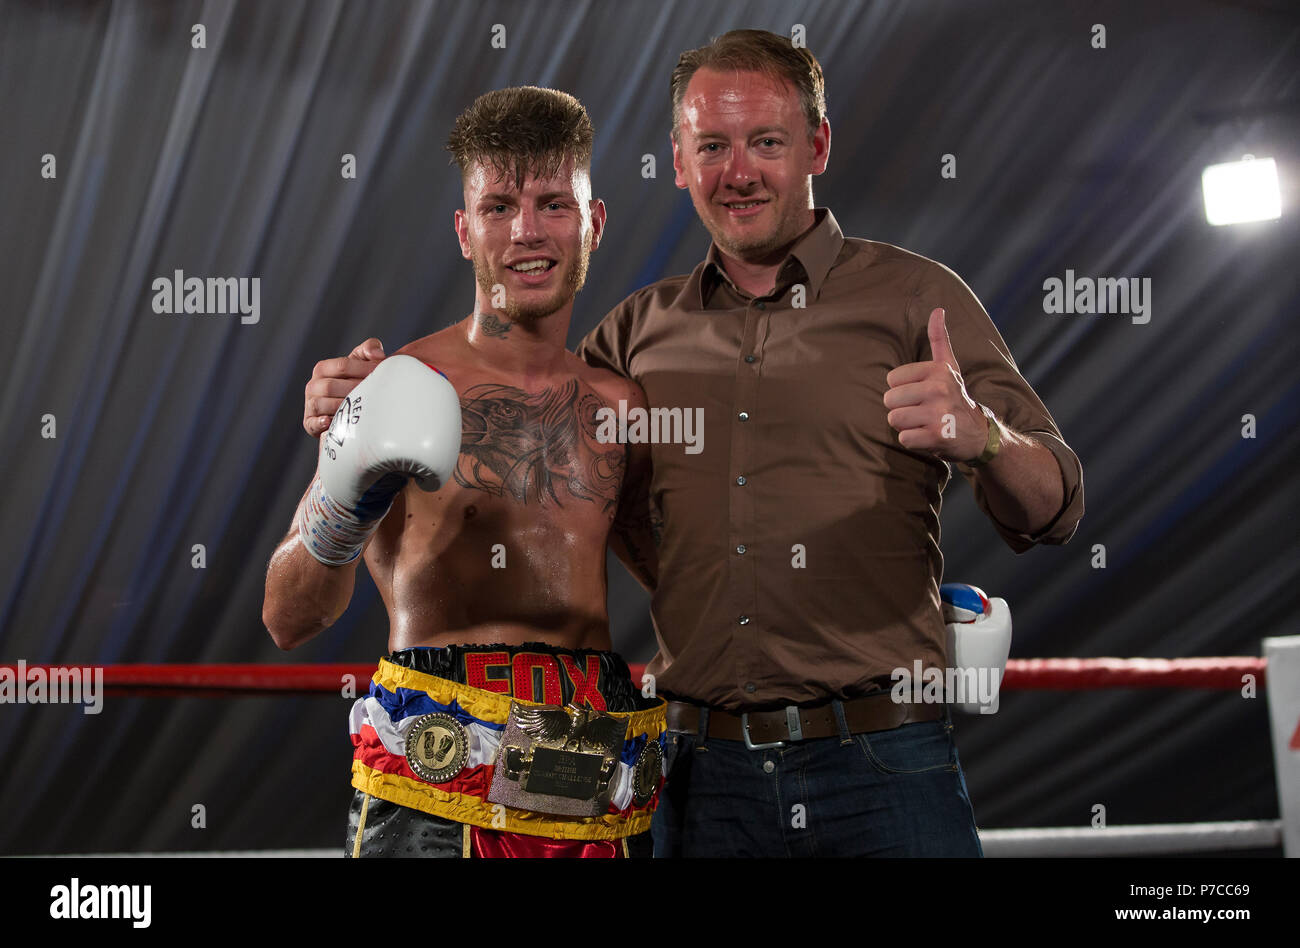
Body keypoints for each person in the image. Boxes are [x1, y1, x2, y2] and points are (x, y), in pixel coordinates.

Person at [572, 29, 1085, 857]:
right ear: (676, 159)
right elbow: (534, 467)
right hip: (696, 775)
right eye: (712, 145)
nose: (737, 172)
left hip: (884, 766)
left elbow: (1058, 501)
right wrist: (376, 396)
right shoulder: (633, 331)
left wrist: (982, 438)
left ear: (817, 144)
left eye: (766, 142)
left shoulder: (918, 296)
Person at [266, 86, 663, 858]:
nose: (526, 231)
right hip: (437, 781)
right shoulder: (394, 386)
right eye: (498, 206)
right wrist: (347, 494)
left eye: (554, 203)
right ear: (463, 230)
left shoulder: (620, 405)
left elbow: (688, 588)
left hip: (597, 782)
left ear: (594, 223)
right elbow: (289, 618)